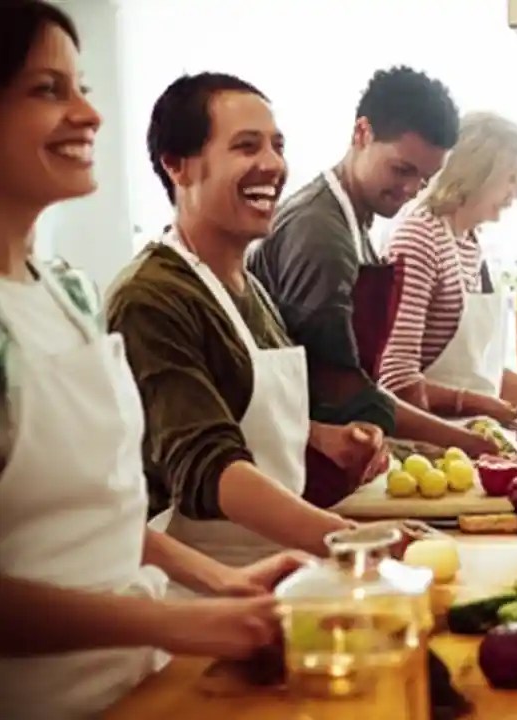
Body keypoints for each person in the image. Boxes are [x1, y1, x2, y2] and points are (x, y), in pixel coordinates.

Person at [0, 5, 302, 716]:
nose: (89, 115)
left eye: (82, 89)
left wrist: (221, 584)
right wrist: (175, 621)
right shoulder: (141, 295)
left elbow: (91, 517)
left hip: (141, 681)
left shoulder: (65, 292)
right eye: (48, 90)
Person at [105, 72, 392, 578]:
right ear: (177, 165)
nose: (273, 164)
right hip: (194, 589)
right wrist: (350, 541)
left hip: (276, 568)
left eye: (277, 146)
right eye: (246, 146)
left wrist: (319, 437)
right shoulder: (150, 298)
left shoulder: (249, 287)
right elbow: (206, 466)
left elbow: (236, 405)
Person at [247, 67, 498, 507]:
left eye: (424, 179)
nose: (410, 189)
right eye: (401, 169)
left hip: (332, 457)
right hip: (295, 466)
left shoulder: (355, 220)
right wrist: (463, 441)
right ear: (361, 133)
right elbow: (336, 386)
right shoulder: (320, 233)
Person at [379, 111, 517, 417]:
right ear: (476, 170)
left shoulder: (469, 243)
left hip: (468, 430)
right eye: (512, 178)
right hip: (429, 439)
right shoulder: (420, 238)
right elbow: (396, 380)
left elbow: (483, 377)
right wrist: (483, 406)